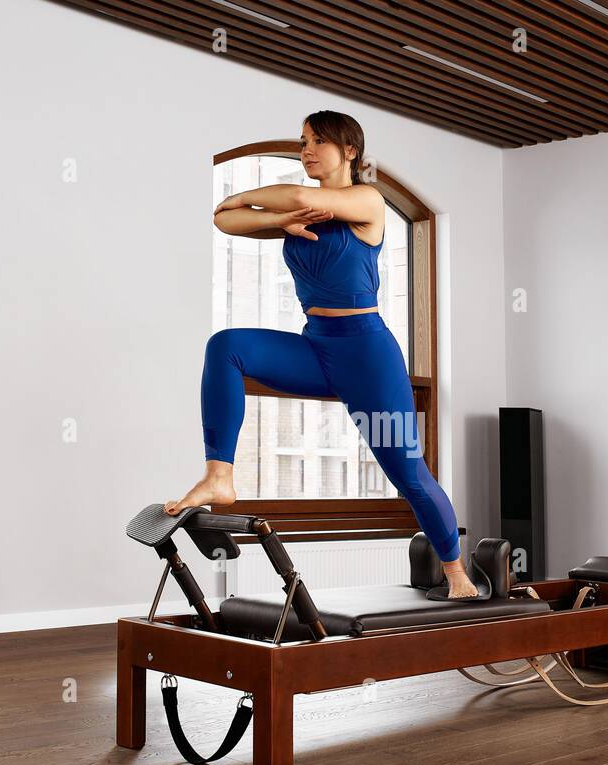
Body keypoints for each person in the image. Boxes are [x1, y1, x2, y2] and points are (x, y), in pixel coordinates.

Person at [165, 110, 477, 599]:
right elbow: (223, 218)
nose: (306, 151)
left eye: (317, 142)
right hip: (316, 349)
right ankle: (218, 476)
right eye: (302, 142)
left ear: (349, 151)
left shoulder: (366, 200)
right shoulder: (299, 216)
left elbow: (295, 197)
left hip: (367, 359)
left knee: (409, 475)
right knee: (225, 346)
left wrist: (258, 201)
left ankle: (457, 574)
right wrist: (277, 220)